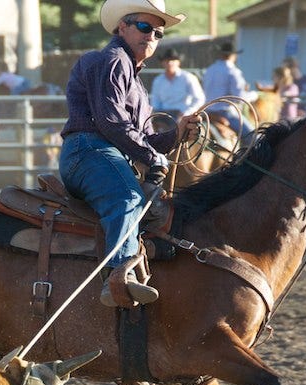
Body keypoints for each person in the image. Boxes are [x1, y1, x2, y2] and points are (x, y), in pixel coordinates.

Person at [59, 0, 196, 307]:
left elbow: (144, 139)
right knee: (128, 198)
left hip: (100, 153)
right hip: (88, 150)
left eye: (158, 33)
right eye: (145, 27)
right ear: (123, 26)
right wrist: (152, 158)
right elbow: (111, 122)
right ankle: (117, 278)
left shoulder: (134, 79)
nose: (152, 37)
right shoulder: (112, 59)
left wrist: (177, 134)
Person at [202, 41, 257, 143]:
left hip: (207, 111)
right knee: (253, 136)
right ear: (233, 56)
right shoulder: (233, 71)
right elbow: (239, 98)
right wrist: (254, 95)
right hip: (226, 112)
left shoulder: (209, 70)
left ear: (221, 54)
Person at [150, 48, 205, 122]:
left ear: (178, 62)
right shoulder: (158, 80)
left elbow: (199, 98)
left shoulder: (188, 77)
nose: (169, 63)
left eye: (173, 60)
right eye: (167, 61)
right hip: (163, 115)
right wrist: (156, 114)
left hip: (182, 114)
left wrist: (186, 112)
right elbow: (155, 101)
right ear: (162, 63)